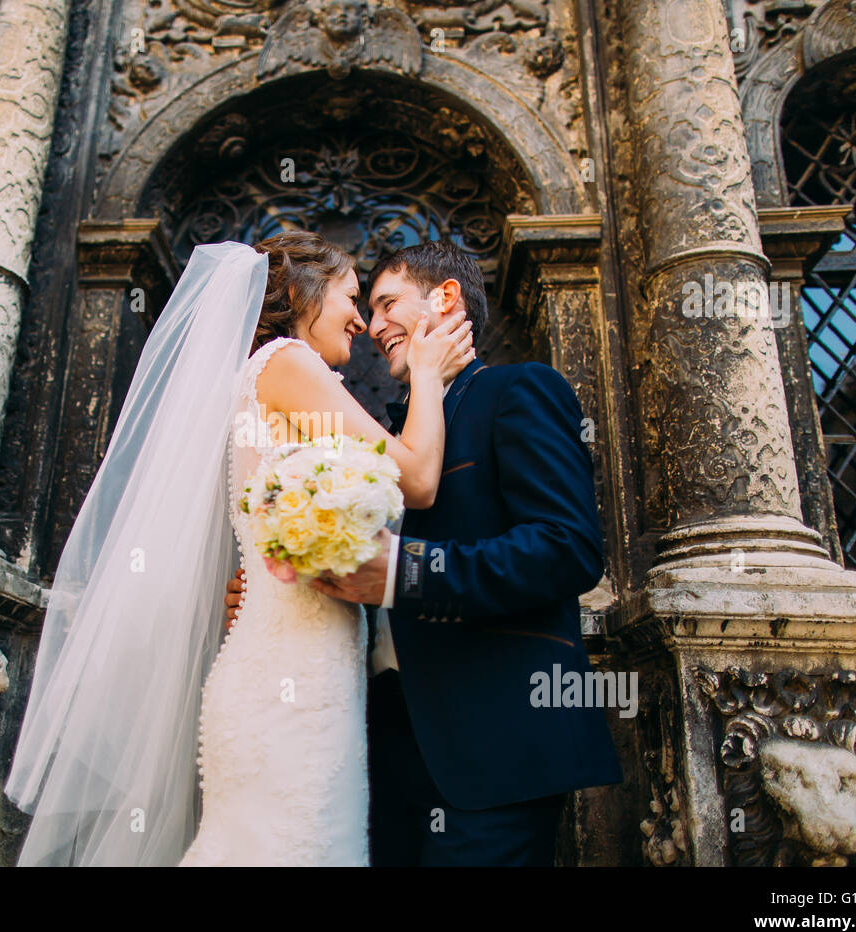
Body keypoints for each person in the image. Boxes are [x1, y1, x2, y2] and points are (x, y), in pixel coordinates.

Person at [4, 232, 473, 865]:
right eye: (351, 296)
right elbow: (415, 478)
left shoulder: (261, 381)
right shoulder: (288, 364)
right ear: (303, 291)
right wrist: (427, 374)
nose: (362, 321)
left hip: (299, 666)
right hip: (293, 676)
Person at [225, 240, 624, 865]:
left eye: (386, 304)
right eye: (364, 306)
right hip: (373, 742)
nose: (372, 327)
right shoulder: (390, 426)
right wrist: (279, 579)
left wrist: (407, 573)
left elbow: (567, 547)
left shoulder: (519, 391)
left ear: (447, 298)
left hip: (490, 741)